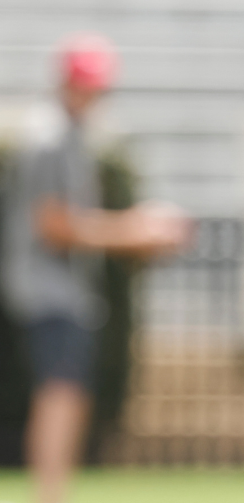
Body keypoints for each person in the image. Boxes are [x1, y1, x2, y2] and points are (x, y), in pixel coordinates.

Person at [2, 34, 191, 503]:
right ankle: (49, 495)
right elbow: (53, 224)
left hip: (65, 290)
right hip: (49, 290)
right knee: (60, 391)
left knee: (69, 391)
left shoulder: (72, 135)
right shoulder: (49, 139)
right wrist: (134, 231)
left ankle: (54, 491)